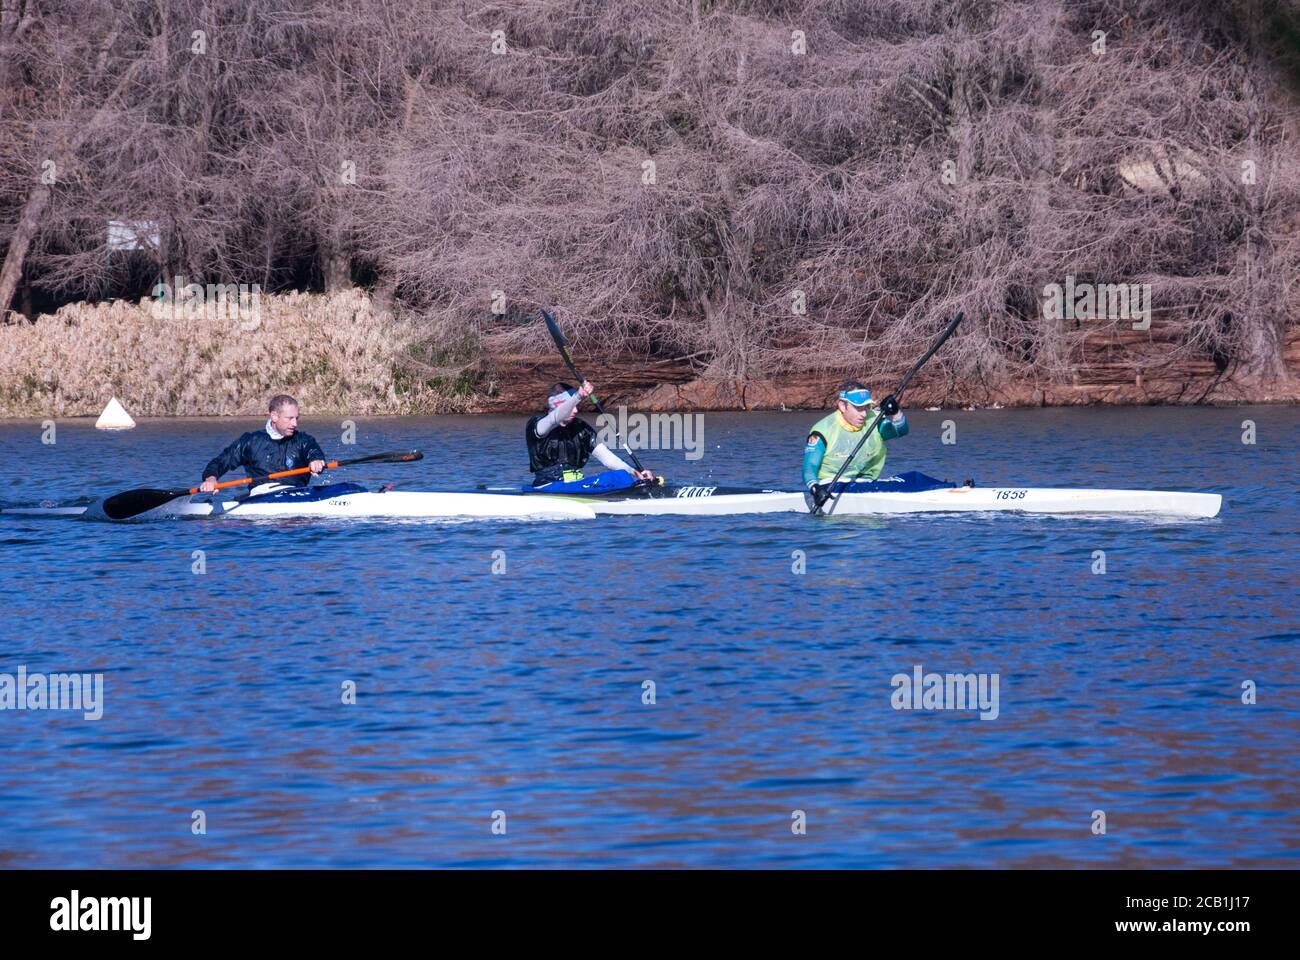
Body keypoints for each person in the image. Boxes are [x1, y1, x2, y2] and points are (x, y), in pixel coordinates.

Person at [526, 381, 654, 489]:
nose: (576, 410)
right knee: (613, 478)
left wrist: (635, 473)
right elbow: (554, 418)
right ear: (557, 405)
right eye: (571, 406)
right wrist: (578, 396)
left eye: (576, 405)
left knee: (621, 475)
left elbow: (609, 460)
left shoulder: (582, 429)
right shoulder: (537, 425)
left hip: (575, 486)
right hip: (547, 486)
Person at [803, 380, 908, 507]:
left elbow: (901, 431)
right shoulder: (823, 430)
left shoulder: (873, 420)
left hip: (867, 483)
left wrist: (895, 414)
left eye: (866, 407)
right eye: (858, 408)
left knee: (913, 478)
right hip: (831, 486)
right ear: (842, 406)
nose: (863, 414)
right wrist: (815, 489)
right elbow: (810, 467)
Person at [199, 394, 326, 493]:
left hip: (297, 494)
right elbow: (221, 462)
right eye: (290, 418)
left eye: (296, 418)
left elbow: (313, 451)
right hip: (261, 499)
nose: (295, 424)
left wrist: (316, 461)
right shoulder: (250, 441)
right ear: (274, 416)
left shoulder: (303, 440)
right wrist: (211, 479)